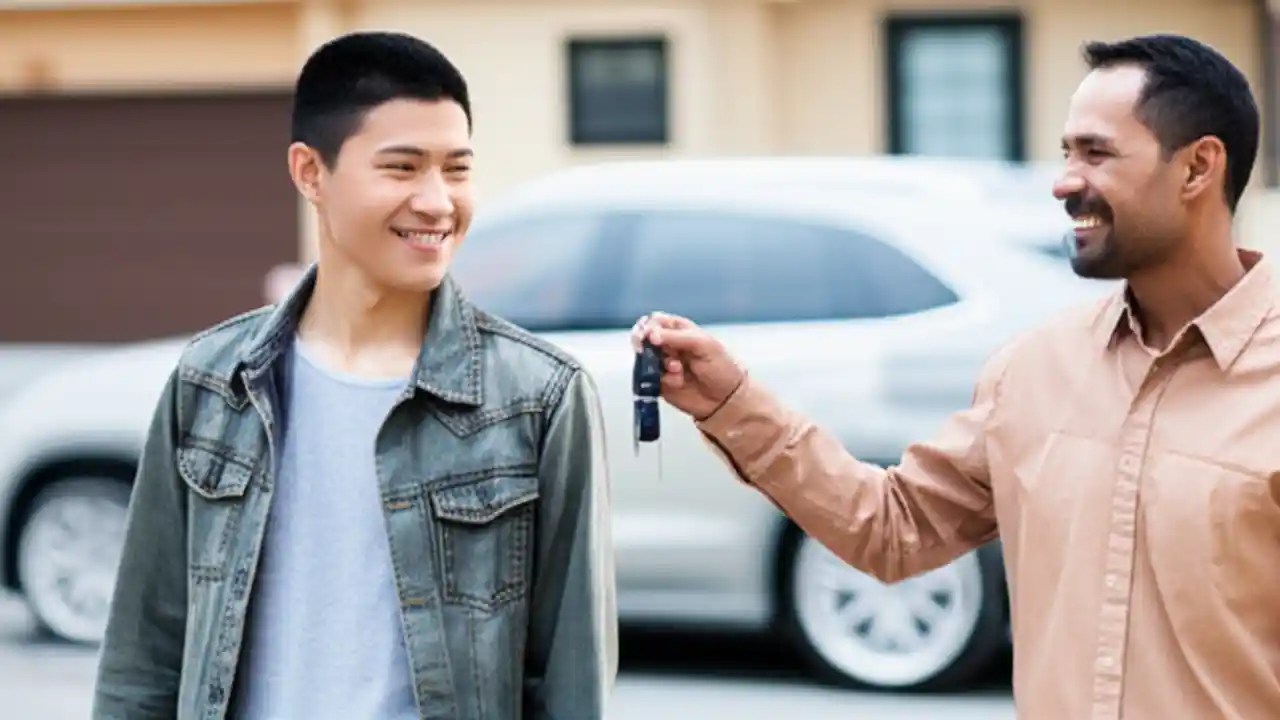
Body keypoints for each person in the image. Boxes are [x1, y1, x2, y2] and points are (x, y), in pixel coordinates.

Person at [633, 33, 1278, 719]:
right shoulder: (1034, 370)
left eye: (1096, 152)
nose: (1063, 181)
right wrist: (731, 401)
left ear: (1197, 168)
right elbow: (892, 528)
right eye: (1066, 153)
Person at [93, 31, 616, 720]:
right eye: (402, 168)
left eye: (456, 170)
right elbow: (144, 659)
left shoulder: (538, 398)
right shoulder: (213, 384)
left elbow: (573, 684)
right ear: (310, 172)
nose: (437, 202)